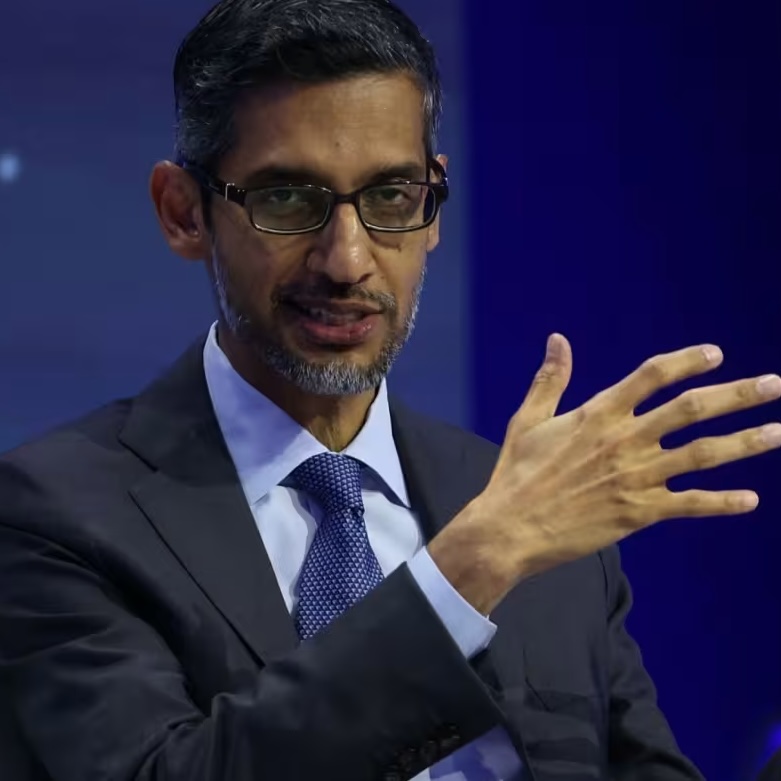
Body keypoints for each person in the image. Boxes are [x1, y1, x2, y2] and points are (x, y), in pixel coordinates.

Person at [0, 1, 779, 779]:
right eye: (286, 200)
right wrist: (467, 571)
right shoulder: (56, 514)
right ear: (183, 212)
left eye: (390, 197)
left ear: (433, 202)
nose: (346, 259)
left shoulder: (532, 518)